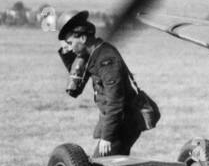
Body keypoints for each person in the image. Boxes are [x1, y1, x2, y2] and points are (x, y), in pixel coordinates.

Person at [57, 11, 144, 156]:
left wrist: (107, 137)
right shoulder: (93, 54)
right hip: (117, 123)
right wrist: (65, 51)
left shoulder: (105, 59)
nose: (71, 48)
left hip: (122, 125)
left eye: (71, 43)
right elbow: (76, 82)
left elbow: (116, 100)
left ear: (83, 38)